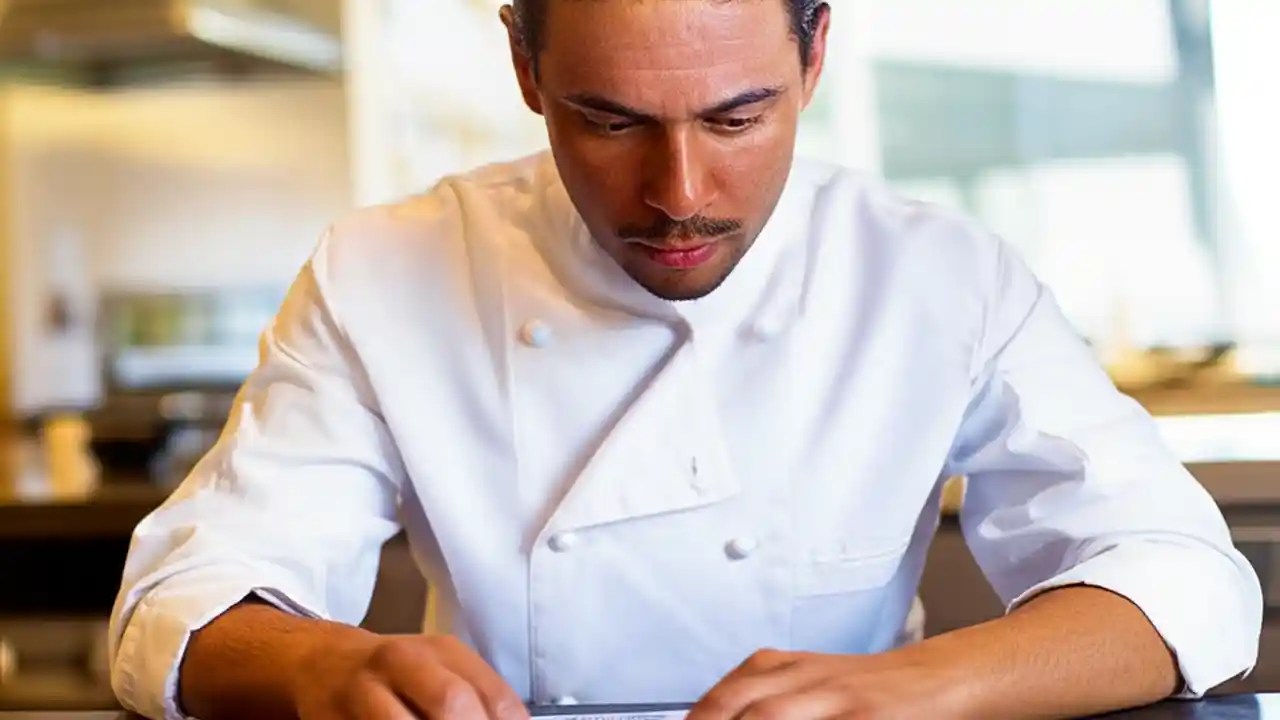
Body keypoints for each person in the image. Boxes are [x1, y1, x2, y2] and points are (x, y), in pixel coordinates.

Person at [108, 1, 1262, 719]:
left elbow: (1181, 578)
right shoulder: (386, 270)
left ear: (813, 56)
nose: (677, 195)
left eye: (735, 118)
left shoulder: (938, 277)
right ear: (523, 66)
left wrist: (915, 691)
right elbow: (183, 601)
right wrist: (322, 673)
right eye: (608, 122)